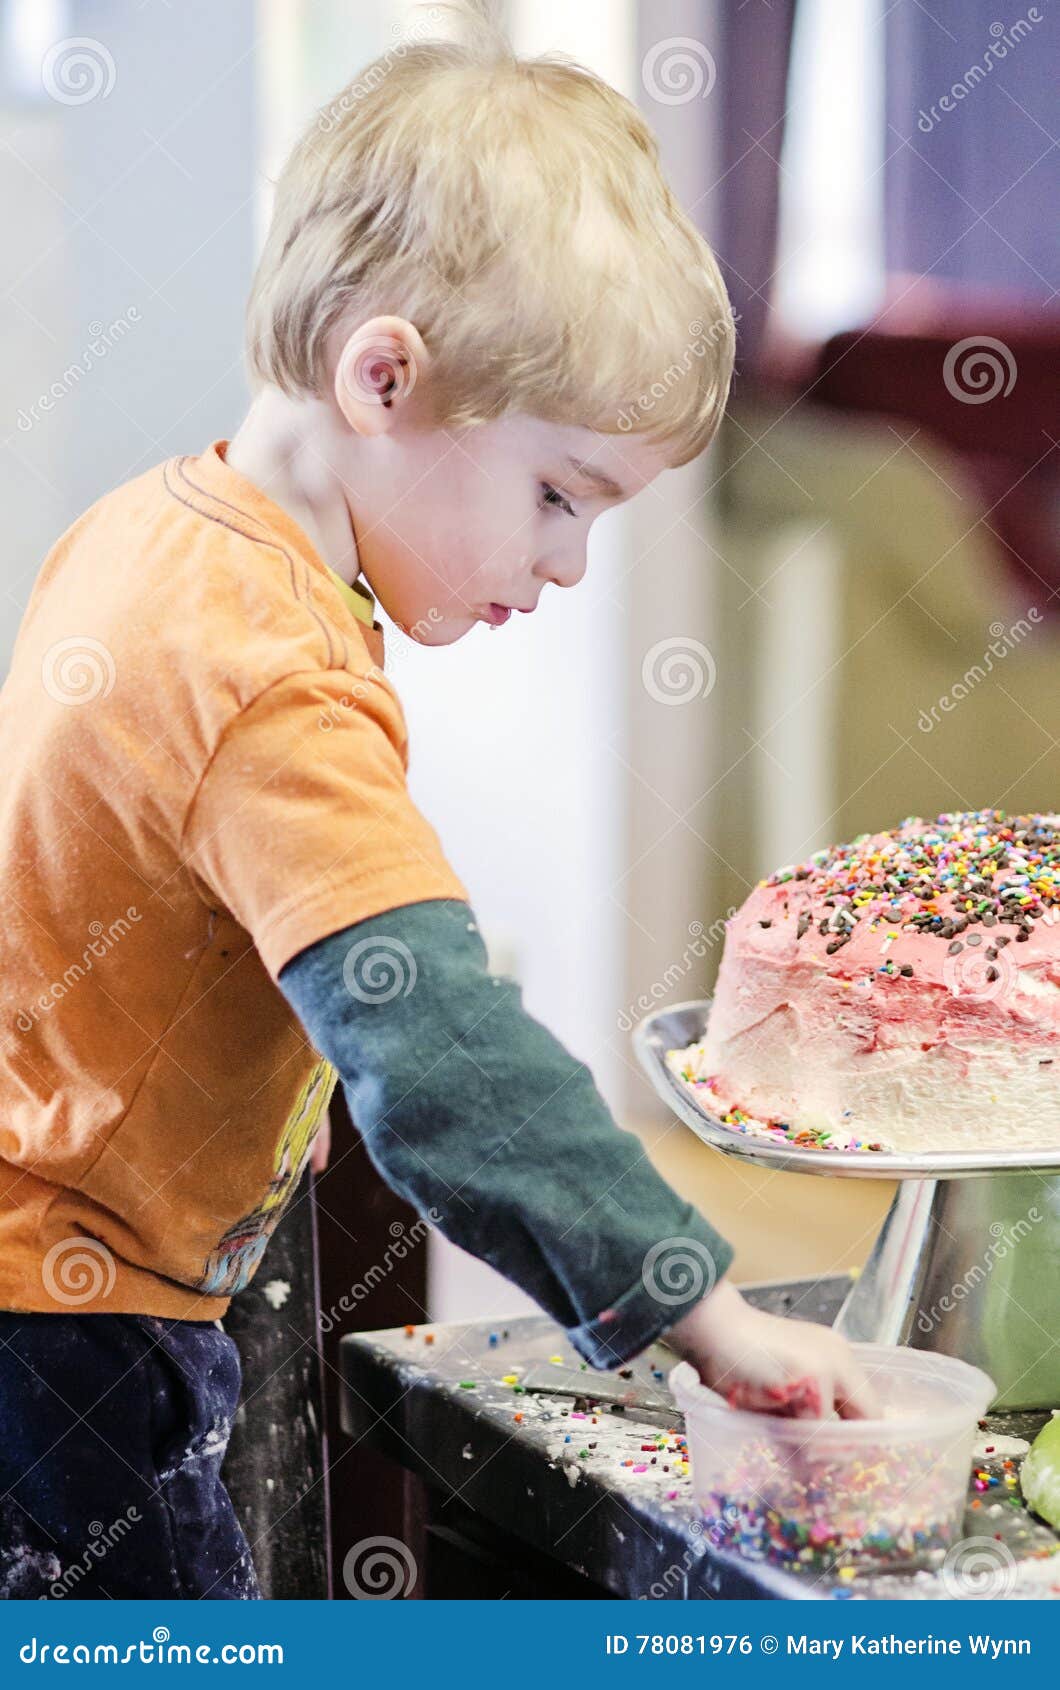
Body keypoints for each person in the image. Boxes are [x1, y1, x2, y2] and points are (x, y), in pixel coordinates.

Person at [0, 7, 873, 1601]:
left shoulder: (154, 531)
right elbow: (442, 1060)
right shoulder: (265, 667)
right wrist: (704, 1304)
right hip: (67, 1339)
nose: (566, 563)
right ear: (384, 374)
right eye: (559, 495)